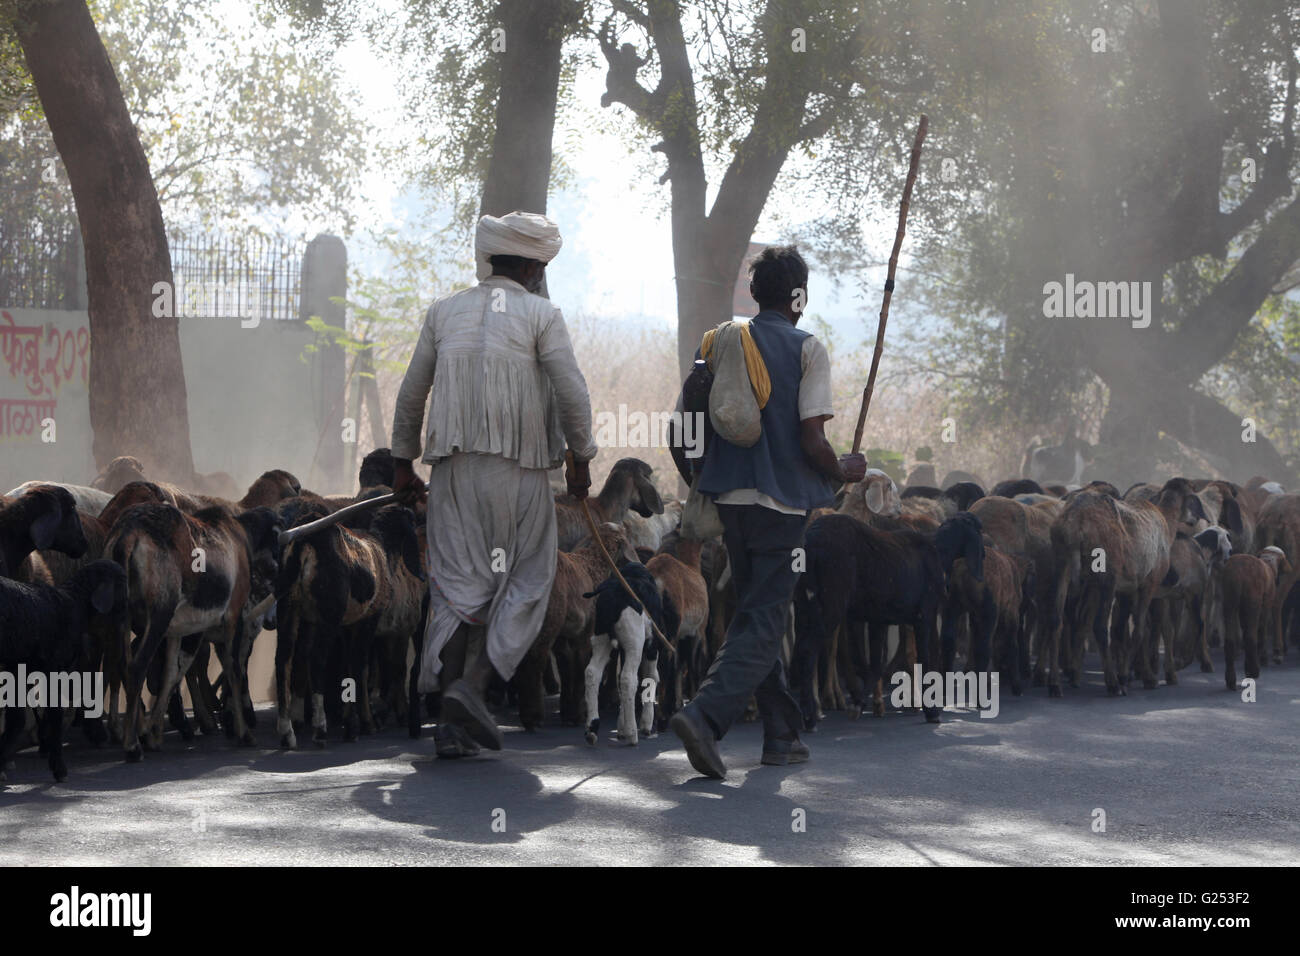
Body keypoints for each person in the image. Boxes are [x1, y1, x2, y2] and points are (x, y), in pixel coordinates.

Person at [390, 210, 597, 758]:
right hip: (520, 475)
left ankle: (451, 728)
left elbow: (412, 393)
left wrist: (401, 464)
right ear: (532, 268)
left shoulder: (444, 312)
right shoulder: (542, 316)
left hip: (453, 474)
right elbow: (572, 393)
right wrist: (581, 459)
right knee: (525, 582)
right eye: (542, 266)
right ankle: (471, 688)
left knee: (458, 591)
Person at [670, 245, 866, 779]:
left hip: (729, 500)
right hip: (781, 504)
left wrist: (699, 479)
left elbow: (687, 424)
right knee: (763, 618)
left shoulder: (716, 343)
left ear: (755, 294)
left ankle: (781, 732)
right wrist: (844, 470)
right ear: (799, 296)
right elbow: (812, 441)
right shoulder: (808, 349)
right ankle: (705, 717)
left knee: (758, 611)